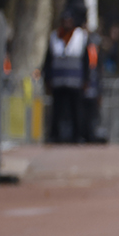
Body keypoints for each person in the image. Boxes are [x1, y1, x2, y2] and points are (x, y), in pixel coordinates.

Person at [44, 9, 88, 144]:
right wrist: (48, 80)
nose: (66, 23)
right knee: (56, 111)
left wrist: (86, 80)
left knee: (76, 110)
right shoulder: (54, 36)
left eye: (69, 20)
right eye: (64, 20)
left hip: (75, 82)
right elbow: (48, 60)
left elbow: (85, 61)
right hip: (58, 81)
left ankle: (77, 136)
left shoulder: (81, 36)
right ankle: (54, 136)